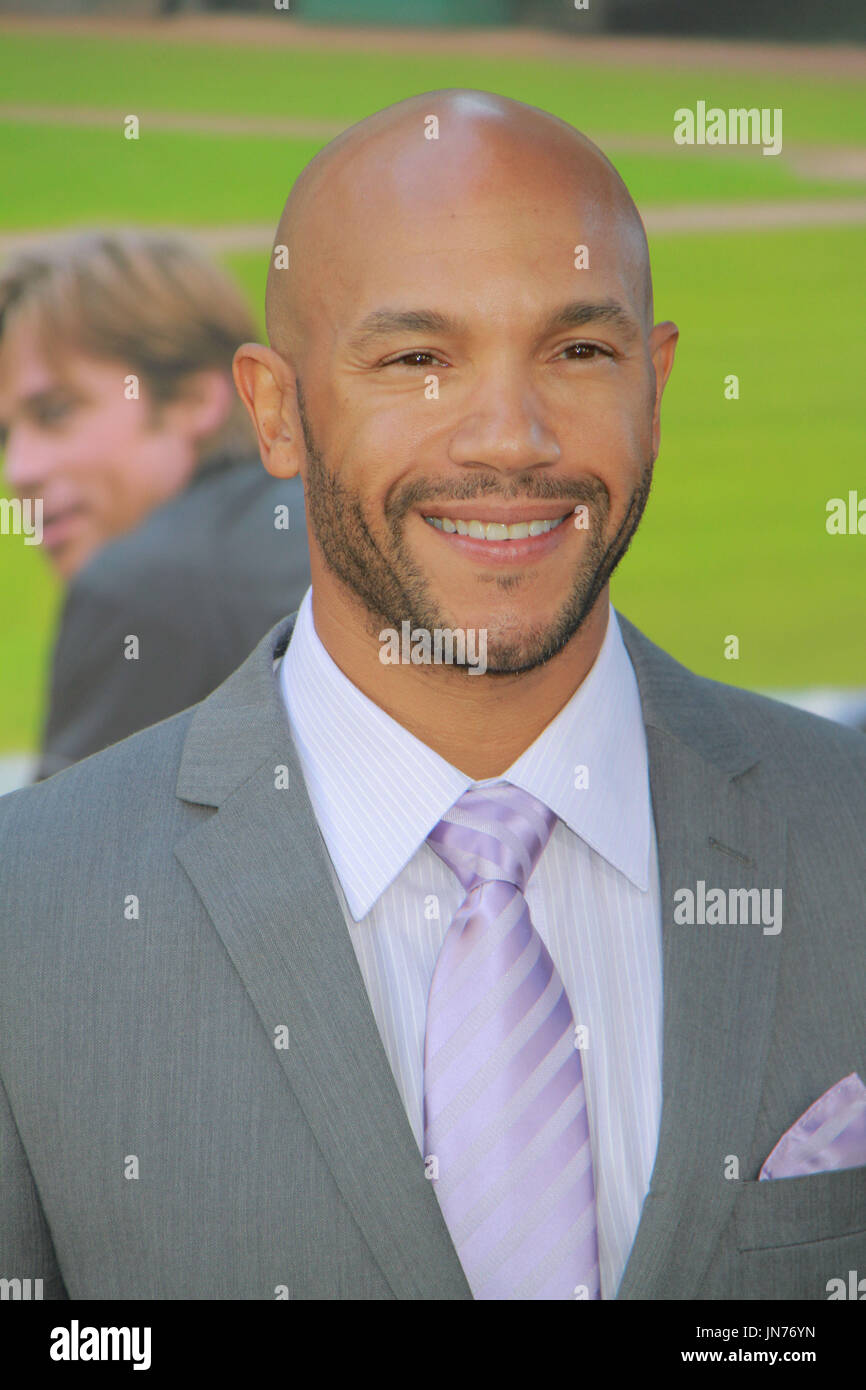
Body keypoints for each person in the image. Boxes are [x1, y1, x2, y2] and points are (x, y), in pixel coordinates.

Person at [0, 91, 863, 1301]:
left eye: (576, 351)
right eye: (416, 358)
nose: (508, 439)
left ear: (654, 381)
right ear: (276, 411)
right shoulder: (26, 915)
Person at [0, 230, 310, 778]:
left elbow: (66, 860)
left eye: (54, 413)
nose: (19, 470)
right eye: (5, 437)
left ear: (193, 400)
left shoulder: (142, 588)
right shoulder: (328, 520)